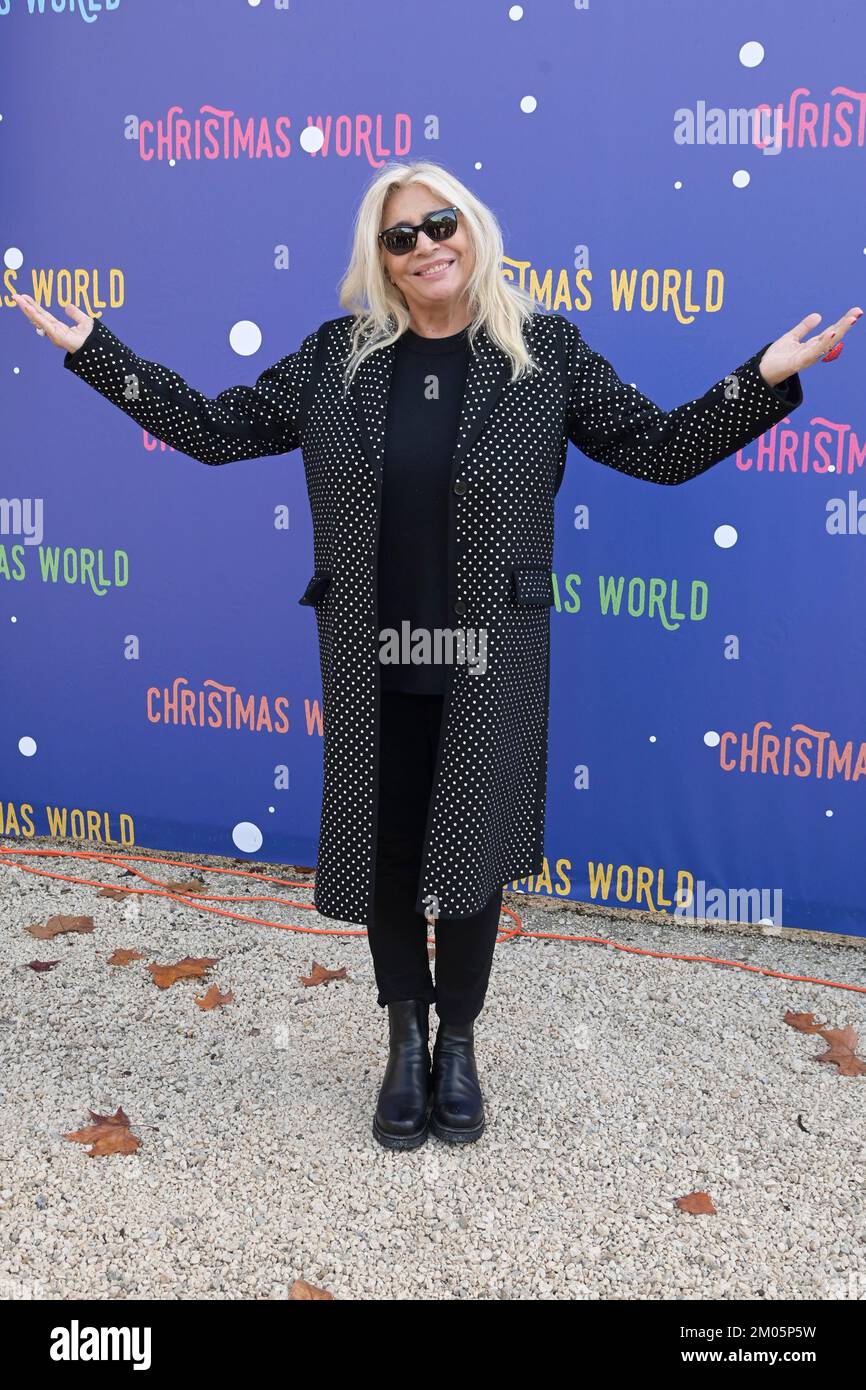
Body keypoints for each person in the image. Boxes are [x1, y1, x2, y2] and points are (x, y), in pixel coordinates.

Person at [11, 160, 860, 1153]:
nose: (424, 247)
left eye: (438, 223)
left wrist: (760, 375)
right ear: (380, 260)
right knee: (386, 853)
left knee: (469, 853)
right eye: (399, 236)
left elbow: (659, 448)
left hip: (485, 651)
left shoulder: (543, 353)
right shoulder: (337, 357)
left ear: (473, 228)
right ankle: (400, 1038)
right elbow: (211, 429)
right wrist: (98, 355)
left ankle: (456, 1039)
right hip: (370, 648)